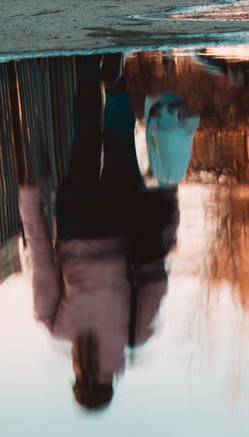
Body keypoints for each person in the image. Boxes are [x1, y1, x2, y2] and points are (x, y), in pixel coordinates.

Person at [18, 54, 180, 411]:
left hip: (121, 222)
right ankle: (87, 67)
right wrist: (30, 201)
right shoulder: (57, 328)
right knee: (84, 140)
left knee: (119, 142)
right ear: (77, 377)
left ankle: (116, 87)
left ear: (113, 380)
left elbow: (155, 276)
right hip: (75, 222)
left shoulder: (134, 334)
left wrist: (169, 213)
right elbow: (42, 258)